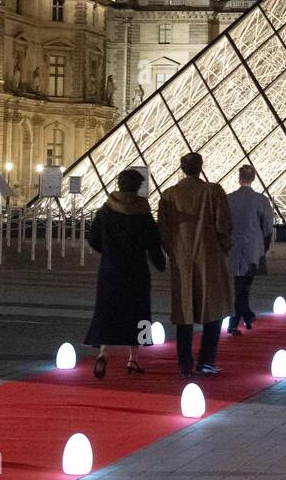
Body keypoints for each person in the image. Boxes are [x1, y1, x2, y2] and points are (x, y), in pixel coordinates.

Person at [158, 152, 232, 378]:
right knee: (214, 310)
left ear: (182, 168)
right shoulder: (213, 191)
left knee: (184, 311)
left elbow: (163, 231)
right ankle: (206, 360)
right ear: (200, 167)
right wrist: (223, 249)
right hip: (209, 258)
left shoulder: (169, 195)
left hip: (181, 261)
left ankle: (185, 364)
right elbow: (224, 225)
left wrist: (175, 252)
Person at [84, 169, 165, 378]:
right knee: (138, 311)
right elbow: (153, 242)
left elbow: (92, 238)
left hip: (110, 268)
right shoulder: (142, 211)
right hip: (136, 269)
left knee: (106, 309)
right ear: (138, 187)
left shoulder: (106, 209)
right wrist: (160, 263)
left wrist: (108, 251)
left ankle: (103, 352)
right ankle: (133, 358)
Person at [227, 164, 273, 334]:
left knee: (238, 286)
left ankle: (243, 317)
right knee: (245, 286)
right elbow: (268, 228)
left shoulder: (229, 199)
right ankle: (241, 318)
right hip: (254, 249)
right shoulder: (262, 200)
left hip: (233, 248)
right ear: (253, 178)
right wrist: (264, 247)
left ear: (239, 178)